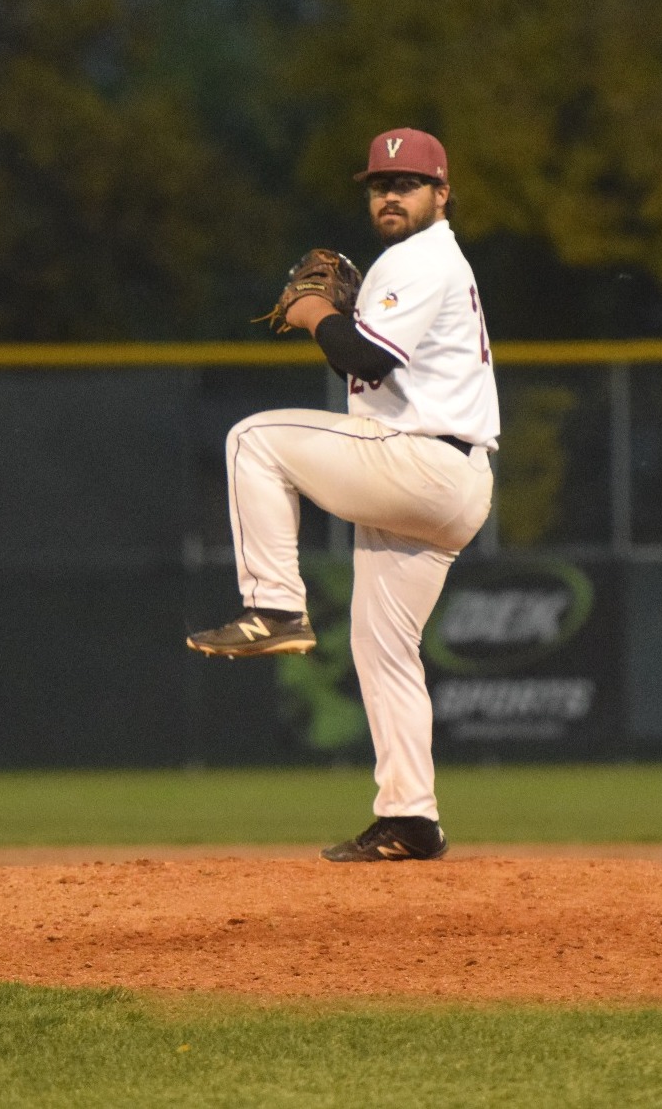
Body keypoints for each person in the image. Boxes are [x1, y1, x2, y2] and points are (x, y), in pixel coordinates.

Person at [187, 127, 499, 863]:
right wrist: (344, 318)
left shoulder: (420, 258)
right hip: (447, 478)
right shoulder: (420, 265)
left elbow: (363, 355)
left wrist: (313, 316)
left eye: (409, 183)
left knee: (252, 439)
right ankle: (410, 818)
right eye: (379, 185)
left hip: (423, 463)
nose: (391, 194)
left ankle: (274, 604)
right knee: (383, 648)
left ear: (442, 194)